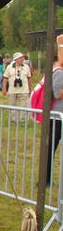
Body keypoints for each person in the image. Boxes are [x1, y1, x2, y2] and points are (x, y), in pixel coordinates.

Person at [45, 34, 63, 186]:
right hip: (56, 117)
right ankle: (46, 179)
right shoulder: (58, 73)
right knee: (51, 148)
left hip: (60, 116)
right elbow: (57, 94)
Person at [2, 52, 32, 121]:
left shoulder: (26, 67)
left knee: (24, 105)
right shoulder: (9, 67)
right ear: (16, 59)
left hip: (24, 90)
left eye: (22, 58)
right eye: (20, 58)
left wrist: (30, 88)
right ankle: (13, 119)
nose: (22, 59)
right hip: (12, 90)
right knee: (12, 105)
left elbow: (29, 78)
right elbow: (5, 78)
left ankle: (23, 119)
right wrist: (4, 88)